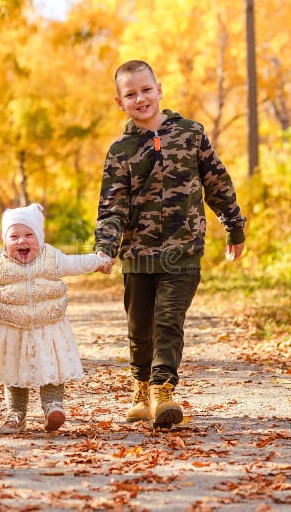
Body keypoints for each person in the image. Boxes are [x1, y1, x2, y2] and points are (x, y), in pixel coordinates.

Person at [93, 60, 246, 429]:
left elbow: (217, 182)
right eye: (131, 94)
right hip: (138, 255)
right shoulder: (121, 151)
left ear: (159, 89)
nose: (141, 98)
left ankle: (163, 390)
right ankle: (141, 387)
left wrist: (234, 225)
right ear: (120, 102)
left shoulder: (191, 134)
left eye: (146, 90)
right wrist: (106, 248)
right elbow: (112, 207)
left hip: (183, 251)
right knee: (139, 327)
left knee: (168, 320)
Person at [0, 203, 111, 434]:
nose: (22, 241)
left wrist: (98, 261)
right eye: (14, 236)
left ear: (40, 237)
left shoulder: (53, 257)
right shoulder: (0, 264)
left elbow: (77, 262)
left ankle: (53, 407)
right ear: (5, 241)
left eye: (29, 235)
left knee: (50, 365)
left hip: (48, 326)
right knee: (14, 371)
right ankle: (15, 414)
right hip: (13, 328)